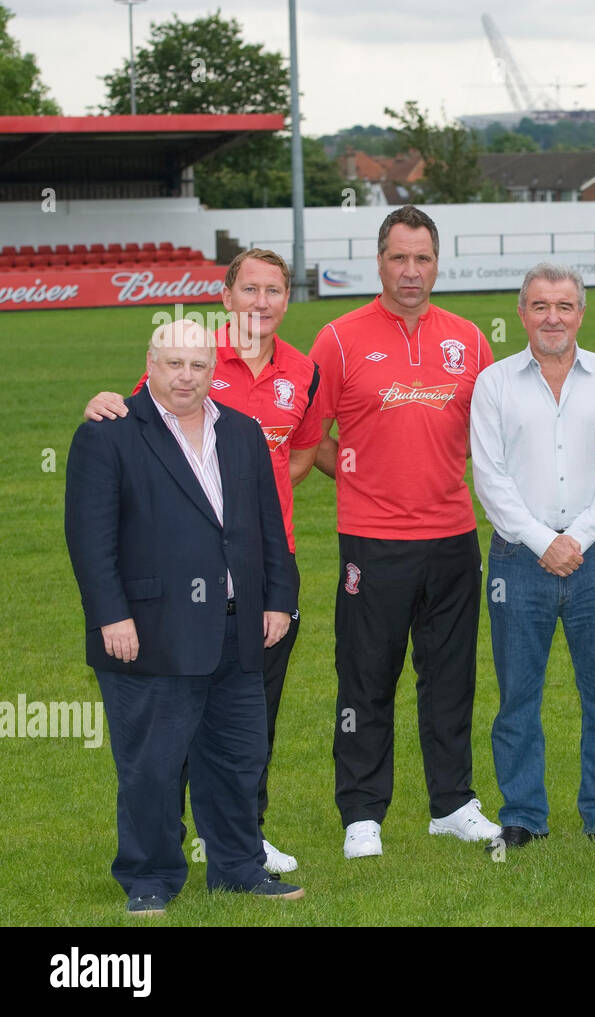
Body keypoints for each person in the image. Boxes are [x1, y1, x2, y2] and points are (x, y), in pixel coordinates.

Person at [82, 249, 321, 873]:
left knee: (241, 745)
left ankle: (239, 857)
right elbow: (96, 527)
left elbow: (282, 489)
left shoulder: (251, 419)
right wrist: (114, 614)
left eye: (274, 290)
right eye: (174, 364)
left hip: (247, 603)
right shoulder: (122, 421)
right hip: (159, 611)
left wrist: (274, 592)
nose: (186, 375)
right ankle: (153, 874)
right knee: (158, 754)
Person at [311, 205, 500, 859]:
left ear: (438, 262)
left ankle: (452, 803)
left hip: (453, 535)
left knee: (450, 675)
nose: (411, 271)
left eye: (423, 258)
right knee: (367, 676)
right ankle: (362, 811)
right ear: (380, 260)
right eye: (399, 257)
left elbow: (491, 435)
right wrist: (364, 478)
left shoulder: (471, 340)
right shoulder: (338, 338)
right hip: (372, 540)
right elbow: (313, 437)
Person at [470, 264, 595, 850]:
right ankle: (521, 815)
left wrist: (580, 538)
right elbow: (490, 478)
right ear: (522, 314)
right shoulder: (494, 383)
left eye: (564, 306)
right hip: (520, 557)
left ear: (581, 314)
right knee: (518, 693)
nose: (552, 317)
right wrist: (545, 542)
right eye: (540, 305)